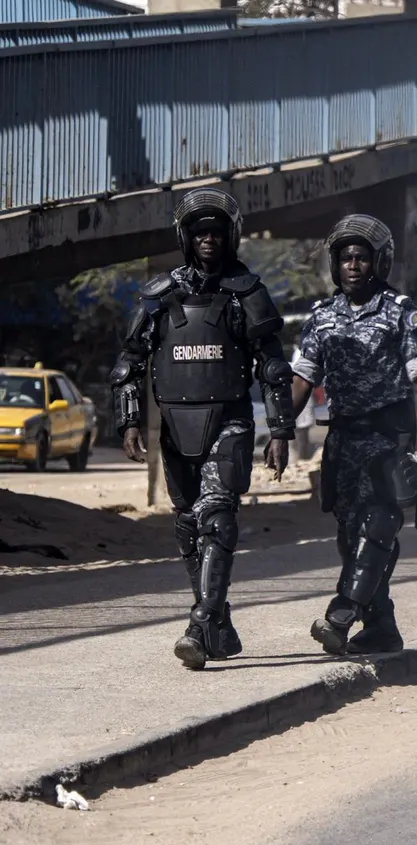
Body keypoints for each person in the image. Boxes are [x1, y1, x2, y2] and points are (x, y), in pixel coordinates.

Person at [110, 189, 293, 670]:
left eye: (215, 232)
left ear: (230, 236)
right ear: (186, 238)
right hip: (174, 426)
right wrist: (129, 421)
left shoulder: (247, 292)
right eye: (199, 232)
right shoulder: (159, 295)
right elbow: (129, 364)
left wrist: (280, 431)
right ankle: (218, 625)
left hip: (229, 421)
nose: (208, 239)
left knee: (217, 518)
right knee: (189, 527)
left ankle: (198, 623)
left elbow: (273, 368)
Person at [288, 214, 417, 656]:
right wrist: (281, 429)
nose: (353, 266)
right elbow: (303, 377)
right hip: (343, 439)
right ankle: (381, 627)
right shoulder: (322, 317)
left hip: (389, 435)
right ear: (335, 264)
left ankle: (342, 613)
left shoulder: (402, 313)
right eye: (346, 258)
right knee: (349, 537)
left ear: (379, 262)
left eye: (361, 258)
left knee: (378, 526)